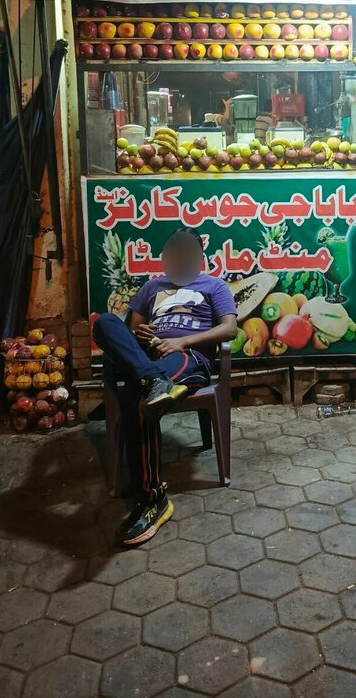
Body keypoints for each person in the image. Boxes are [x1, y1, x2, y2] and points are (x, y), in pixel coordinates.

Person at [93, 228, 237, 547]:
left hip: (186, 357)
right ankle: (153, 380)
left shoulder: (214, 286)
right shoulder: (151, 287)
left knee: (136, 397)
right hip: (148, 357)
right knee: (104, 323)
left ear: (199, 258)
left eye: (188, 253)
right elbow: (131, 330)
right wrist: (144, 336)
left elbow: (230, 328)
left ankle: (153, 499)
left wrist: (180, 341)